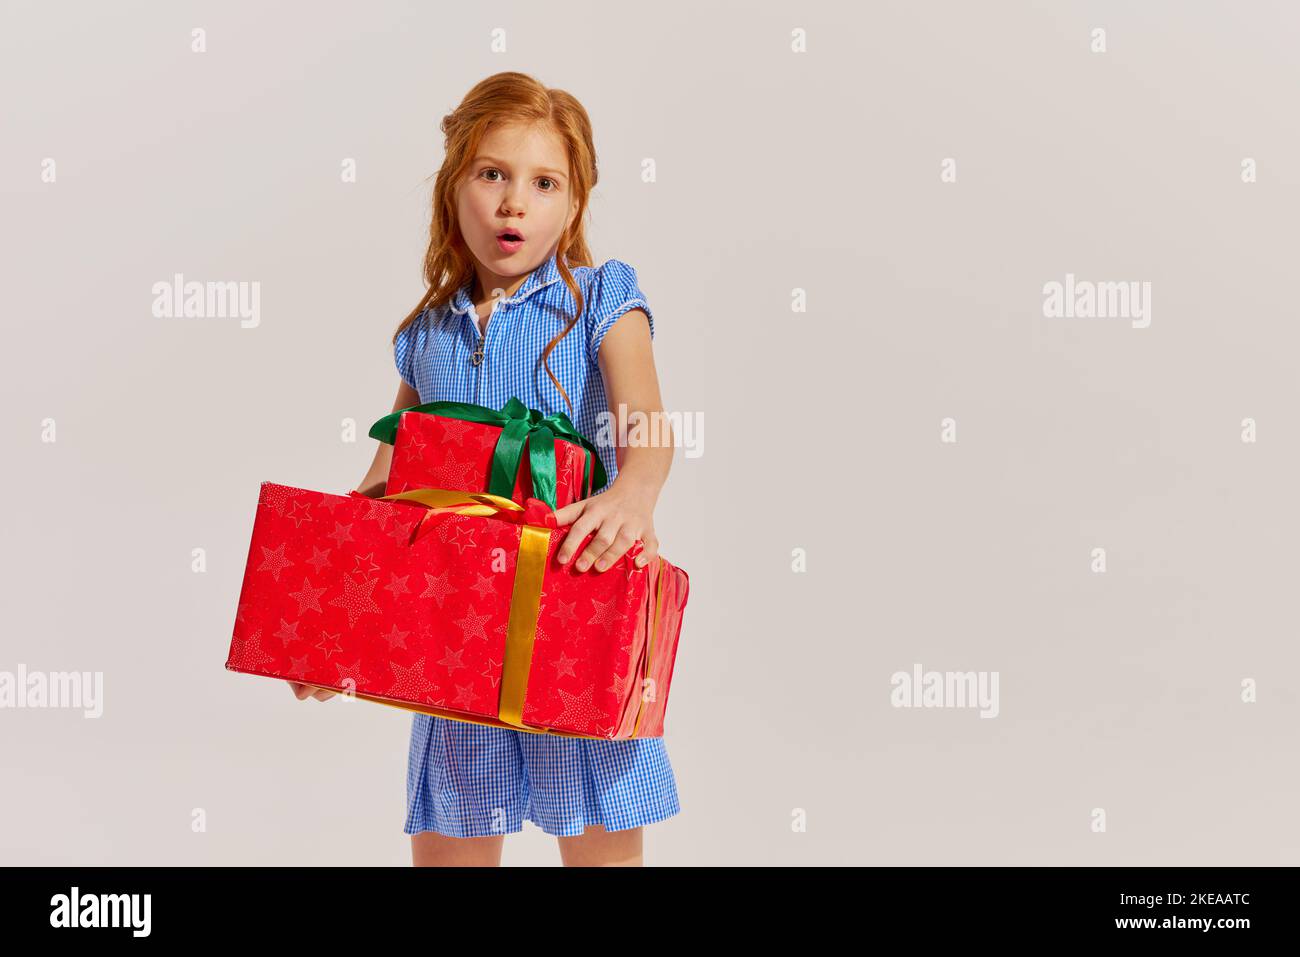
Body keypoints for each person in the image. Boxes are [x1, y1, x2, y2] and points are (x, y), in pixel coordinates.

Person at [288, 72, 680, 866]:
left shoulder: (601, 298)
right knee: (454, 836)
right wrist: (333, 628)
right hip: (454, 634)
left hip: (576, 608)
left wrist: (634, 492)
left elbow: (645, 421)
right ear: (453, 184)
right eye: (492, 174)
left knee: (598, 833)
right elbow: (383, 486)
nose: (514, 203)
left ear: (574, 205)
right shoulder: (429, 332)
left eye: (544, 183)